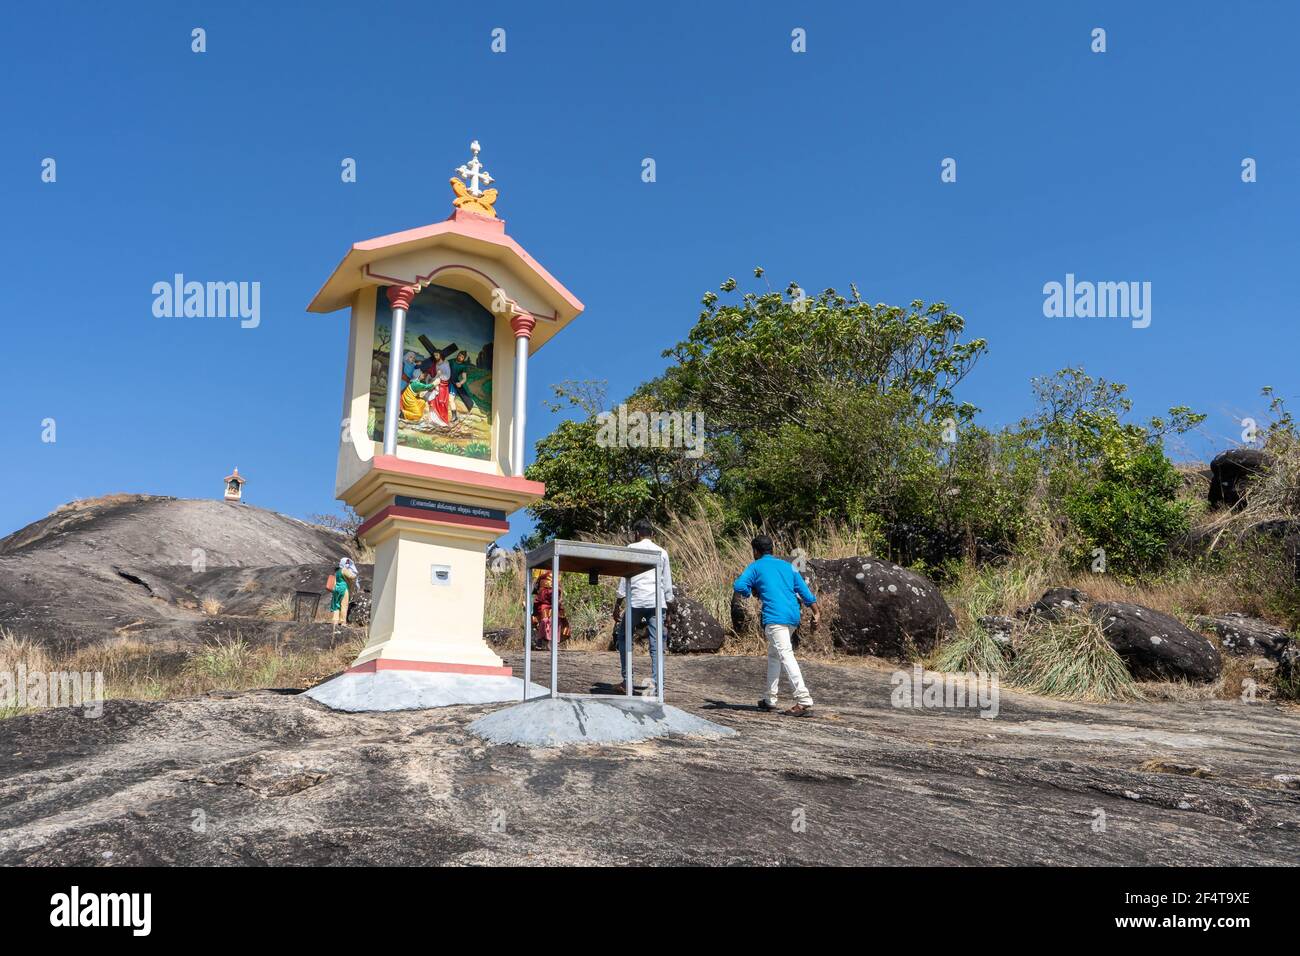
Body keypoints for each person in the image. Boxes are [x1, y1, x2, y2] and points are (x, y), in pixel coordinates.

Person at [733, 535, 820, 717]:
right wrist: (816, 611)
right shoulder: (787, 566)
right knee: (774, 655)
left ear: (755, 551)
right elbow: (804, 591)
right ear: (772, 549)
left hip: (775, 616)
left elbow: (739, 585)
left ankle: (803, 699)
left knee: (785, 654)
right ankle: (769, 699)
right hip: (792, 616)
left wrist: (751, 591)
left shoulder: (756, 566)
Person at [612, 518, 674, 695]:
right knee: (657, 645)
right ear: (652, 534)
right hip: (657, 602)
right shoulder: (662, 552)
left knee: (624, 637)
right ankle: (657, 686)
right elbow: (667, 584)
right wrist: (669, 609)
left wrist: (617, 604)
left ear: (637, 533)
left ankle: (627, 681)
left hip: (636, 601)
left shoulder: (631, 549)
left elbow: (625, 580)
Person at [531, 569, 570, 650]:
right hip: (543, 600)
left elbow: (560, 587)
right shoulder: (541, 568)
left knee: (557, 619)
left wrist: (559, 598)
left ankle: (554, 642)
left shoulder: (557, 571)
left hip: (555, 598)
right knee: (544, 620)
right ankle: (540, 638)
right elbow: (536, 586)